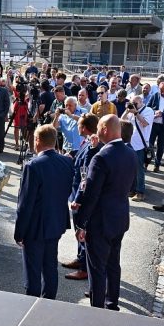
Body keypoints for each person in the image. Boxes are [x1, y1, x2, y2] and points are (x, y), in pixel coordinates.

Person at [72, 115, 137, 310]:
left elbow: (91, 194)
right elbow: (131, 186)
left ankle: (98, 308)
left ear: (106, 130)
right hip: (120, 218)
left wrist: (80, 223)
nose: (97, 132)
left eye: (99, 128)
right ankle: (112, 302)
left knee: (97, 268)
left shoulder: (101, 157)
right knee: (113, 263)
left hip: (100, 221)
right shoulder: (131, 153)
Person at [14, 125, 73, 299]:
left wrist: (19, 233)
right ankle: (49, 302)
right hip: (56, 222)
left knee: (33, 272)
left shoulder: (33, 166)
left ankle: (31, 303)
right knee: (50, 267)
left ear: (37, 140)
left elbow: (25, 204)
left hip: (35, 226)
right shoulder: (66, 162)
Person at [63, 113, 100, 281]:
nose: (77, 127)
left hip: (81, 196)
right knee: (79, 231)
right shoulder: (87, 142)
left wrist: (77, 200)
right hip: (75, 190)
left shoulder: (93, 146)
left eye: (79, 125)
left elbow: (85, 176)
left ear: (84, 128)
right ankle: (80, 258)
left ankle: (85, 268)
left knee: (82, 231)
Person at [122, 94, 153, 201]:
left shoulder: (148, 110)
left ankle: (140, 192)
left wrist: (136, 112)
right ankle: (132, 189)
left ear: (141, 102)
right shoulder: (131, 111)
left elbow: (144, 123)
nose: (133, 106)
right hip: (130, 144)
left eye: (135, 103)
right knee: (130, 169)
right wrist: (127, 111)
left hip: (140, 145)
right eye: (132, 103)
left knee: (140, 169)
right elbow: (121, 121)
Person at [146, 80, 164, 171]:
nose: (162, 92)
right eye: (160, 90)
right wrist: (155, 112)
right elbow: (148, 107)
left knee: (160, 146)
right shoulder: (155, 96)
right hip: (154, 124)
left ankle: (157, 164)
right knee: (149, 144)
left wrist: (163, 114)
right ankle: (146, 163)